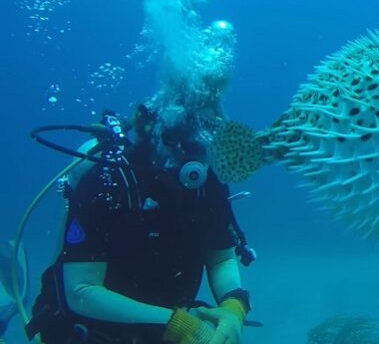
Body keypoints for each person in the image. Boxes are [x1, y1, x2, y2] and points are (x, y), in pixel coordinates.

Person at [25, 106, 253, 344]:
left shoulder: (206, 182)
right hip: (91, 330)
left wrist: (233, 306)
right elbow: (81, 291)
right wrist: (178, 325)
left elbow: (221, 259)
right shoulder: (109, 181)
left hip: (165, 327)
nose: (194, 160)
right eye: (185, 142)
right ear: (156, 136)